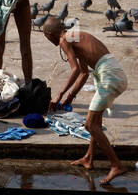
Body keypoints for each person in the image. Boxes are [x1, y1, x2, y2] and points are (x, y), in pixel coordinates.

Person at [42, 18, 128, 184]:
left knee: (89, 125)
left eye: (46, 37)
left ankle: (117, 165)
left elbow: (74, 70)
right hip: (113, 73)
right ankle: (89, 158)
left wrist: (59, 95)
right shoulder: (73, 36)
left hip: (109, 77)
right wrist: (69, 98)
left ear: (49, 34)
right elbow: (83, 73)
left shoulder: (64, 39)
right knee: (96, 121)